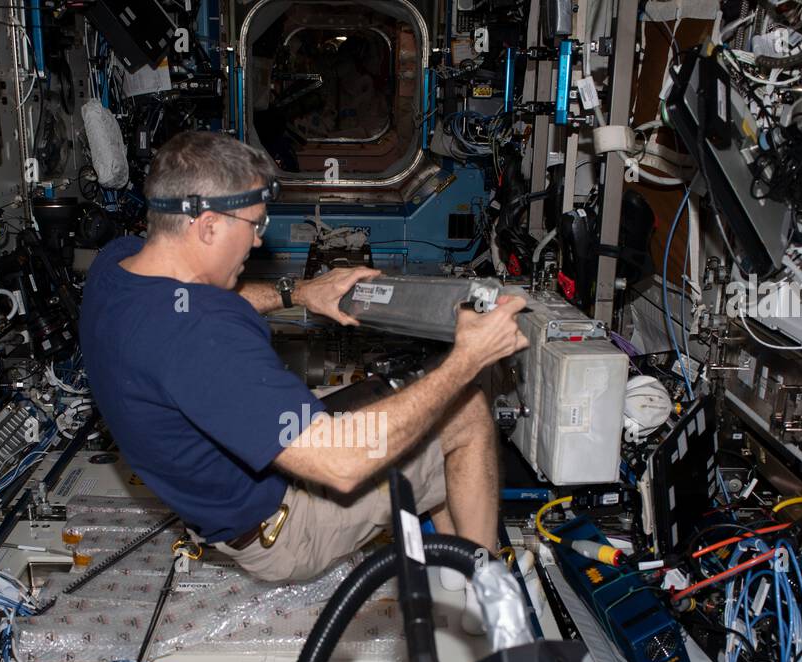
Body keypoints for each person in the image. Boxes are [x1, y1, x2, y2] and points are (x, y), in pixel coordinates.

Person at [80, 131, 528, 582]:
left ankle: (453, 568)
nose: (258, 241)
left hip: (242, 489)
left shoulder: (117, 268)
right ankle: (490, 583)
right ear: (209, 225)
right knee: (464, 409)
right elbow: (342, 463)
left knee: (411, 405)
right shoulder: (203, 338)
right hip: (288, 527)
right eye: (254, 224)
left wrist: (298, 291)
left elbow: (198, 302)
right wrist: (468, 357)